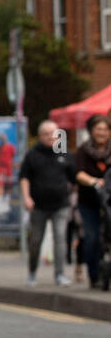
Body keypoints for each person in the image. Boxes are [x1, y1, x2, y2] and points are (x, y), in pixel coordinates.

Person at [18, 121, 77, 287]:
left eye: (53, 133)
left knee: (60, 238)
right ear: (40, 135)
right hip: (38, 205)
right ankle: (31, 273)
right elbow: (24, 177)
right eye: (46, 133)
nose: (50, 136)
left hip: (61, 204)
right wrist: (26, 197)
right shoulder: (32, 154)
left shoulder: (65, 153)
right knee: (36, 240)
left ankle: (60, 275)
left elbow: (74, 177)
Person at [71, 114, 109, 287]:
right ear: (92, 131)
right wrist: (94, 181)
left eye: (105, 129)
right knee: (92, 238)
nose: (102, 133)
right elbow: (78, 173)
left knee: (107, 238)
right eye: (98, 129)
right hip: (89, 202)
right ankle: (93, 274)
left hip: (109, 202)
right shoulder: (84, 150)